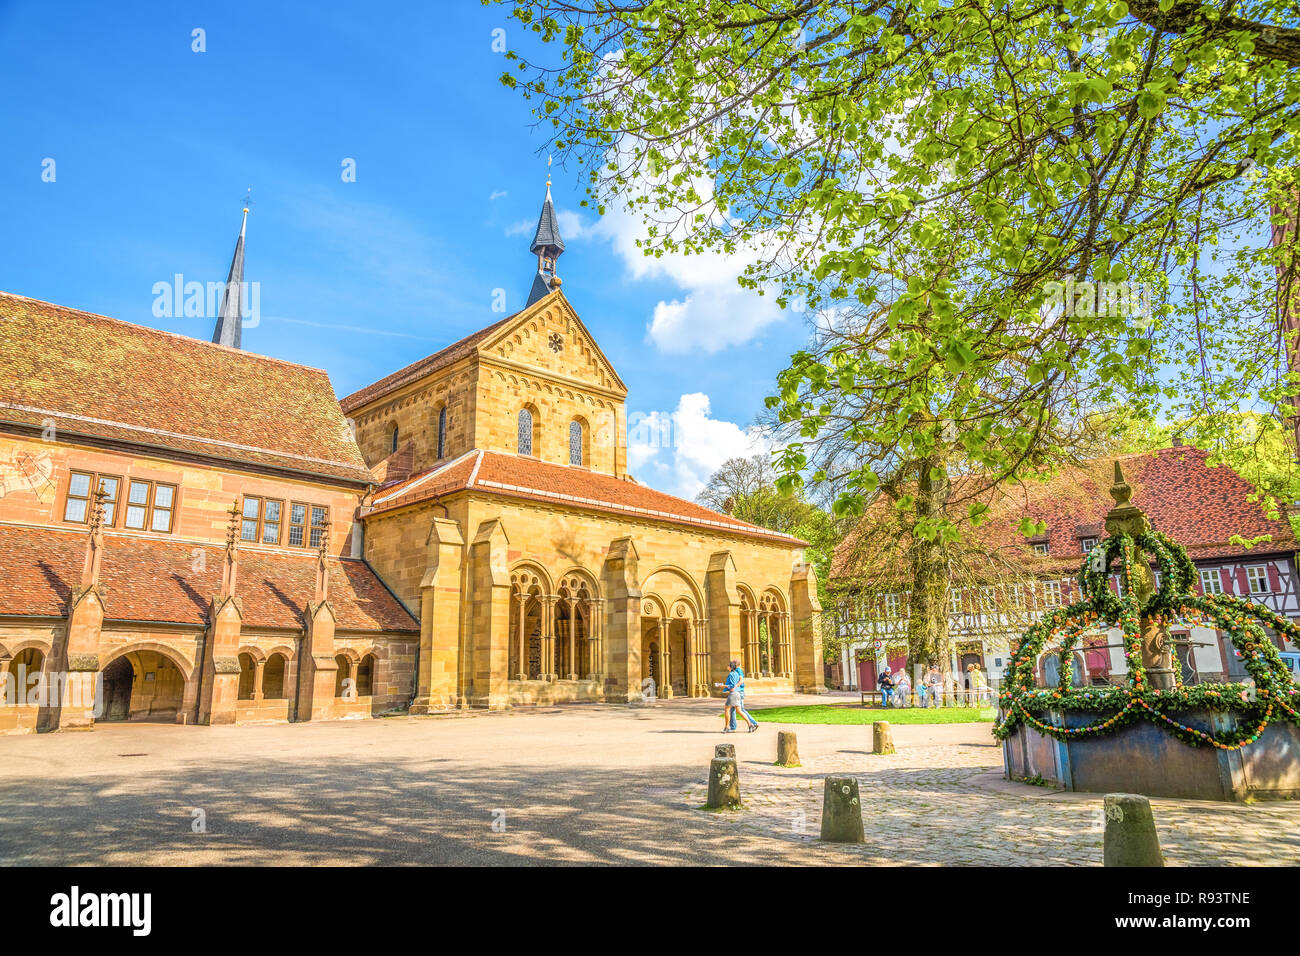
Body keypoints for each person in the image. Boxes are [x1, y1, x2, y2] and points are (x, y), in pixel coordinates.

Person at [715, 659, 757, 733]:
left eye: (728, 665)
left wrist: (722, 686)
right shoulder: (736, 674)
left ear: (730, 667)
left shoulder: (731, 674)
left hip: (733, 694)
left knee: (727, 709)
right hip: (737, 693)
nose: (727, 666)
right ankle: (751, 725)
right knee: (739, 711)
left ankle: (727, 727)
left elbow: (732, 685)